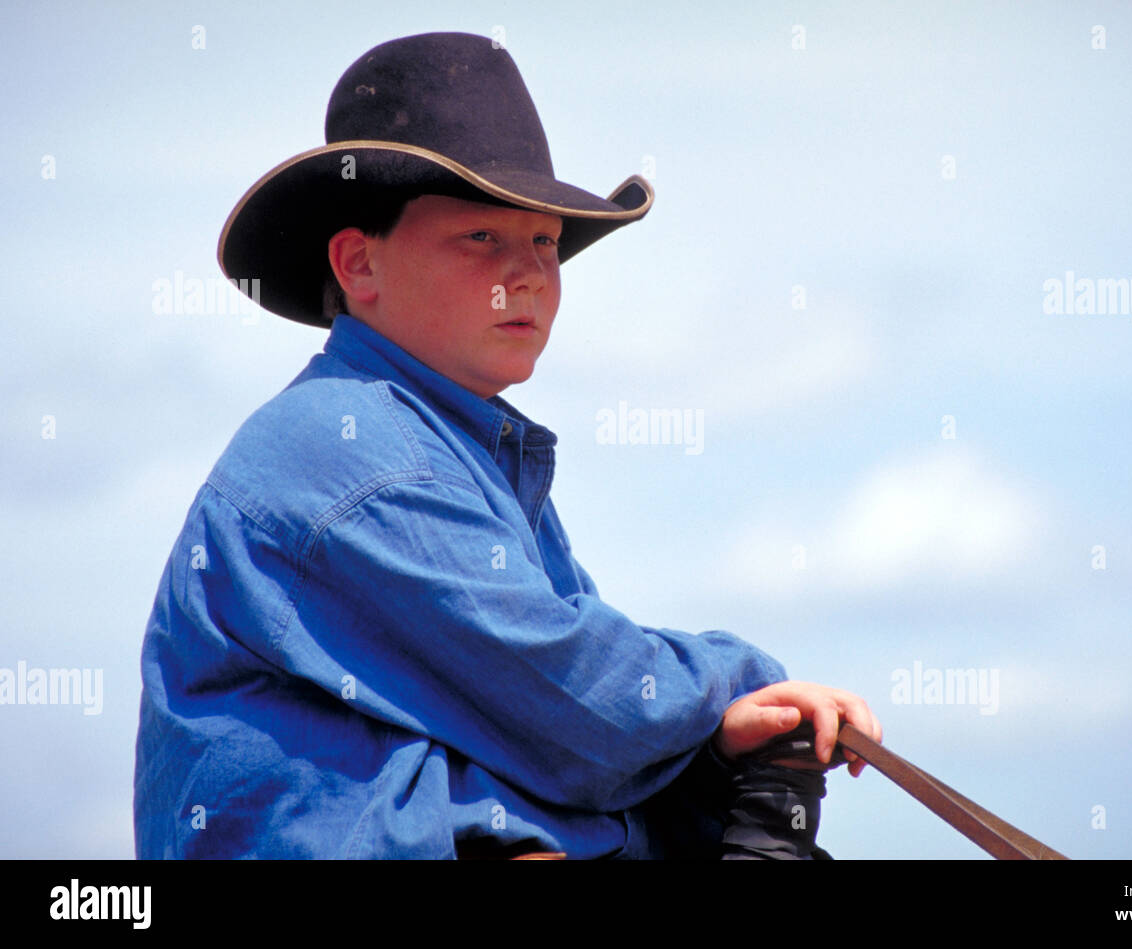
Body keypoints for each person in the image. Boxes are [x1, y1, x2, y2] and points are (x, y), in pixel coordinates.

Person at [133, 31, 881, 859]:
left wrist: (715, 748)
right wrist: (753, 686)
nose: (527, 273)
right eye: (483, 239)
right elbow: (580, 712)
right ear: (359, 265)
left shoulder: (455, 446)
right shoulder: (355, 448)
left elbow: (572, 736)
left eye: (545, 244)